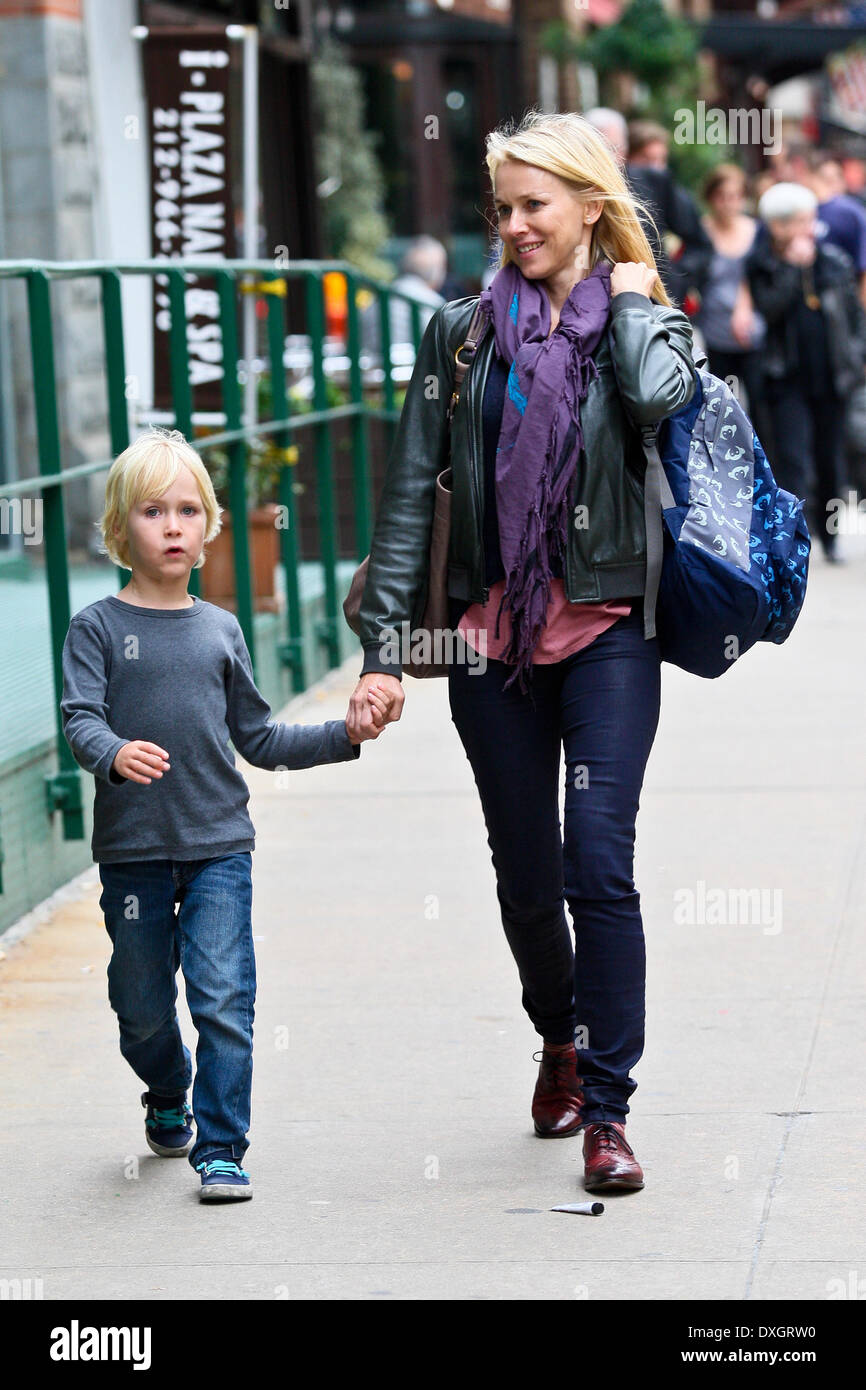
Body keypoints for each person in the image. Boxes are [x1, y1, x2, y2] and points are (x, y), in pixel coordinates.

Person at [346, 110, 699, 1195]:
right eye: (500, 209)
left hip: (605, 630)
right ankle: (556, 1031)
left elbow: (654, 403)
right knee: (523, 870)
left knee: (597, 857)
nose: (511, 228)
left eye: (532, 206)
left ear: (590, 205)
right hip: (489, 635)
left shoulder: (648, 320)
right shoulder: (459, 333)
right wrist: (382, 649)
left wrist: (634, 305)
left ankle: (606, 1106)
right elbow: (415, 488)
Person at [60, 430, 386, 1202]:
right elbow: (79, 718)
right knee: (140, 1008)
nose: (171, 526)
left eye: (186, 510)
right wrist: (111, 751)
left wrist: (346, 734)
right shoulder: (97, 629)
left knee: (223, 999)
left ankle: (221, 1148)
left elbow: (261, 738)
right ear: (119, 531)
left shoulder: (221, 630)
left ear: (207, 528)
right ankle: (166, 1089)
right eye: (150, 511)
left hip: (218, 849)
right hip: (133, 851)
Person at [746, 182, 866, 563]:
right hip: (786, 378)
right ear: (779, 226)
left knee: (831, 457)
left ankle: (830, 537)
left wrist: (858, 356)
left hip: (831, 377)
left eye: (810, 219)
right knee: (793, 459)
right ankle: (797, 538)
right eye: (800, 221)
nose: (809, 228)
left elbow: (854, 316)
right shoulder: (762, 263)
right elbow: (768, 310)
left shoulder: (833, 261)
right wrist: (792, 271)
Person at [584, 108, 713, 305]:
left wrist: (671, 282)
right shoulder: (575, 194)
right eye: (600, 150)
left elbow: (699, 245)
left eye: (614, 148)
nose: (609, 158)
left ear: (625, 150)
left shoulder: (653, 182)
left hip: (653, 308)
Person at [695, 163, 772, 454]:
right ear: (711, 198)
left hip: (751, 330)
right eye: (722, 196)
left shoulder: (755, 231)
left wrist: (745, 308)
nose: (728, 204)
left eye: (735, 196)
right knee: (721, 402)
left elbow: (758, 278)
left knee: (759, 402)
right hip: (715, 329)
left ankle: (763, 465)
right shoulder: (701, 233)